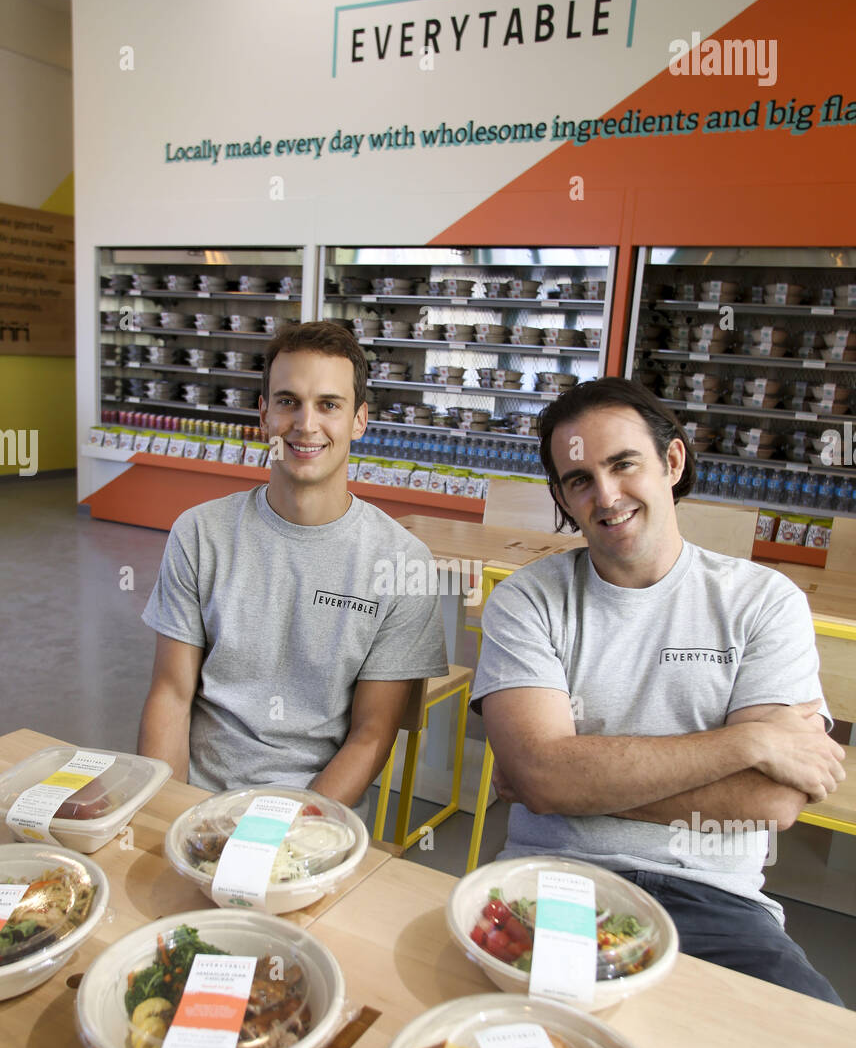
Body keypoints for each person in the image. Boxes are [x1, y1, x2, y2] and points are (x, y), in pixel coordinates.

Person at [470, 377, 847, 1004]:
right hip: (555, 887)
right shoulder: (527, 599)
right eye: (580, 479)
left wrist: (569, 784)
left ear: (672, 461)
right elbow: (541, 777)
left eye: (623, 465)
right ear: (563, 497)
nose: (607, 495)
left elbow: (773, 801)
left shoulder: (764, 601)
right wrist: (749, 740)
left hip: (720, 903)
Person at [138, 320, 448, 818]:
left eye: (329, 405)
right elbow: (171, 696)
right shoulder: (199, 533)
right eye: (288, 401)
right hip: (198, 800)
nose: (306, 424)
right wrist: (168, 818)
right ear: (264, 414)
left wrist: (288, 835)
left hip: (316, 815)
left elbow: (372, 735)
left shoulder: (402, 563)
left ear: (359, 420)